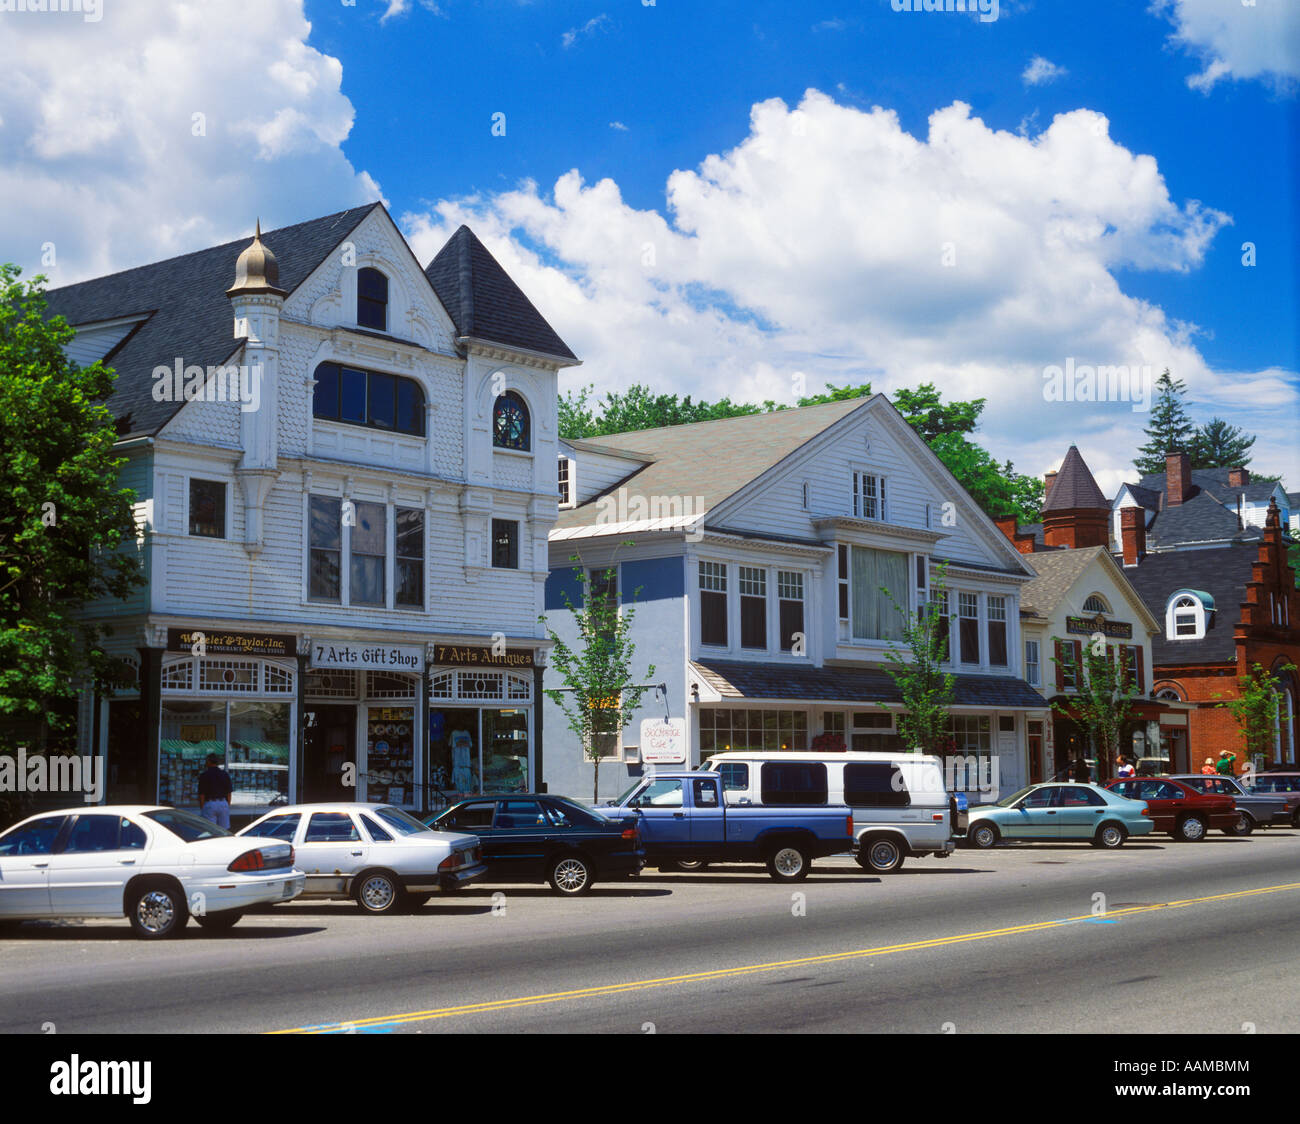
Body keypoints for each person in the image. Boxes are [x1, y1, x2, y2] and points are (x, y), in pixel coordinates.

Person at [197, 754, 233, 828]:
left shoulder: (204, 775)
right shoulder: (224, 774)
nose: (205, 763)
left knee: (210, 829)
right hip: (223, 803)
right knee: (224, 831)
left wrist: (203, 808)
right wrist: (227, 805)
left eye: (206, 761)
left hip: (210, 803)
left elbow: (201, 795)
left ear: (209, 761)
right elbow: (229, 793)